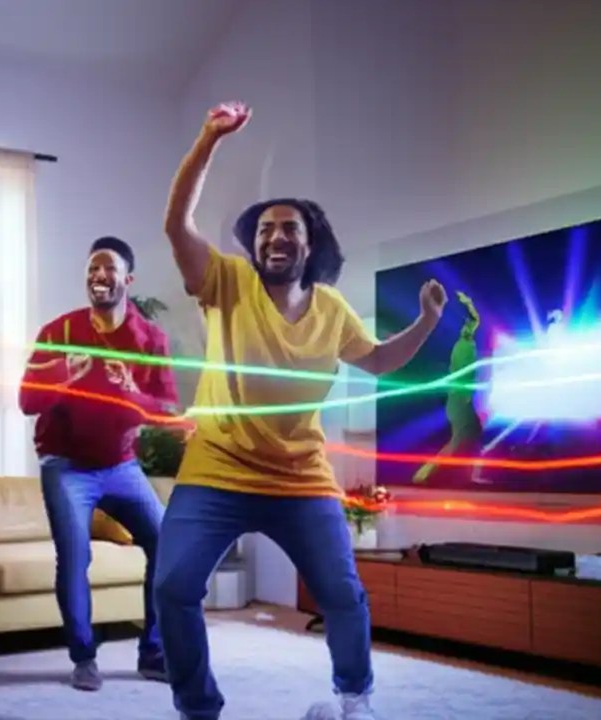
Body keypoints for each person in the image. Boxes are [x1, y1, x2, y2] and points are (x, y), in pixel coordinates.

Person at [156, 101, 446, 720]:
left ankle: (353, 698)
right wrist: (209, 137)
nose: (275, 236)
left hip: (299, 475)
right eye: (264, 229)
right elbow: (177, 223)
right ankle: (197, 707)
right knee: (173, 586)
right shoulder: (226, 283)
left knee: (341, 592)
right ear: (254, 245)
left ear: (309, 246)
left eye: (289, 228)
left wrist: (425, 322)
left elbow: (379, 360)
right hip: (217, 467)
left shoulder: (332, 309)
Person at [18, 236, 179, 691]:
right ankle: (84, 657)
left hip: (121, 465)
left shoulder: (150, 338)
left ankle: (154, 651)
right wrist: (62, 375)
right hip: (65, 465)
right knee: (74, 556)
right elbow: (26, 400)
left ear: (127, 279)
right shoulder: (58, 332)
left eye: (108, 268)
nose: (98, 275)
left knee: (166, 543)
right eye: (92, 267)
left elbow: (166, 411)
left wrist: (130, 389)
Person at [412, 290, 483, 484]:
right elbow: (476, 319)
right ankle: (424, 474)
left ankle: (467, 475)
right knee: (461, 440)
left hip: (459, 401)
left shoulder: (464, 346)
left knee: (469, 436)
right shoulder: (463, 347)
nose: (473, 326)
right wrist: (468, 303)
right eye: (469, 325)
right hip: (459, 401)